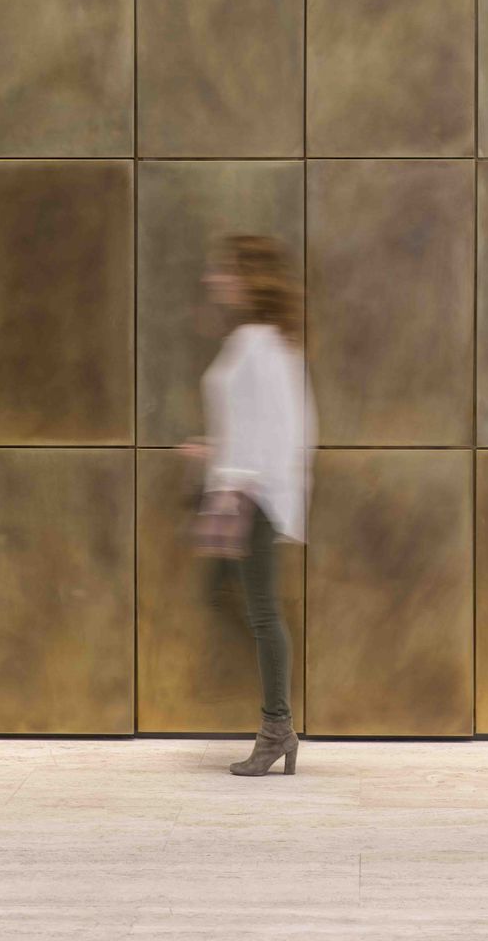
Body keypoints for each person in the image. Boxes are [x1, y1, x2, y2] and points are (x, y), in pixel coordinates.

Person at [178, 233, 316, 776]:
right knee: (220, 594)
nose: (215, 280)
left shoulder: (264, 343)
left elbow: (289, 427)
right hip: (235, 491)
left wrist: (256, 488)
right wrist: (213, 452)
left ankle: (277, 726)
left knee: (261, 612)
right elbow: (249, 420)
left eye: (225, 271)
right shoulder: (253, 340)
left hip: (251, 496)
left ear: (248, 277)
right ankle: (276, 706)